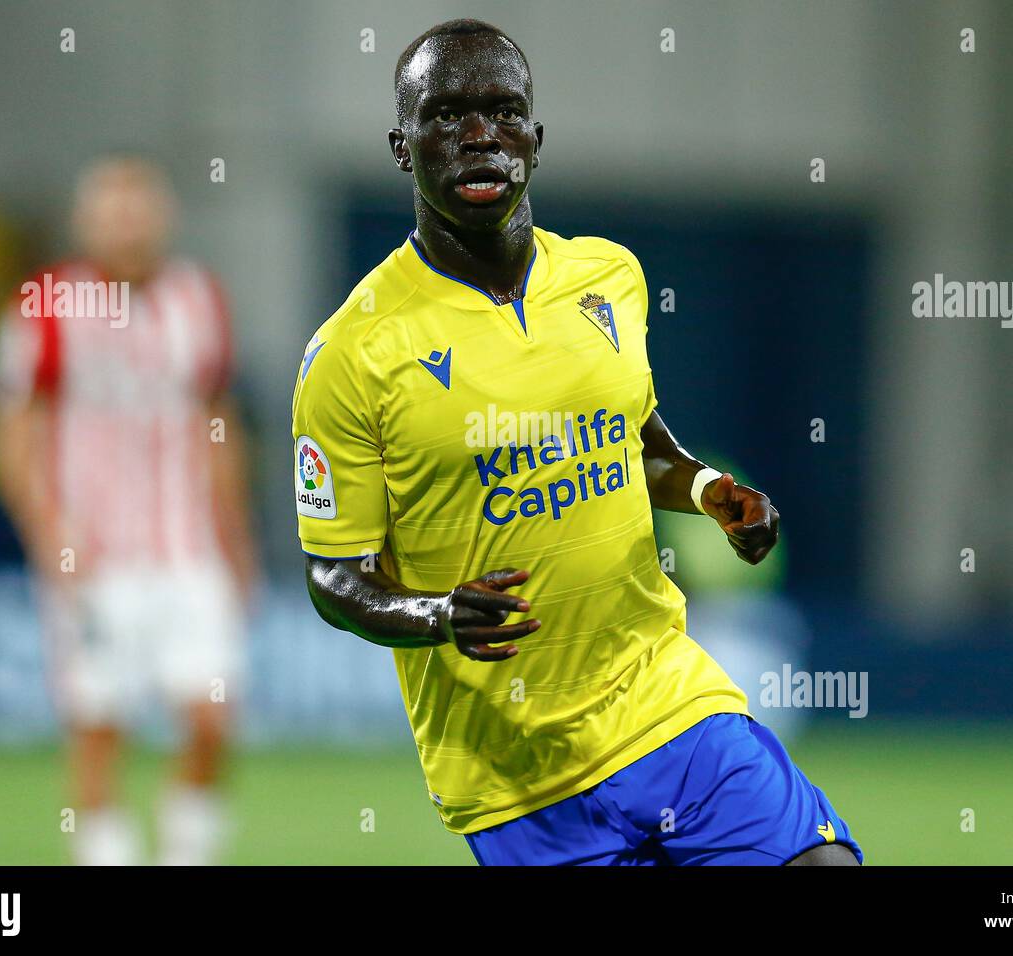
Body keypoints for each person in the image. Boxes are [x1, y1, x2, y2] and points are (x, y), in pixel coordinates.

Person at [292, 20, 860, 865]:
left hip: (666, 698)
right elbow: (336, 577)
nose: (480, 135)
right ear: (402, 147)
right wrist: (438, 616)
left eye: (502, 112)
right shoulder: (352, 353)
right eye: (446, 116)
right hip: (514, 769)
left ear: (535, 138)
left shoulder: (608, 278)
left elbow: (643, 446)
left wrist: (710, 493)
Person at [0, 156, 257, 865]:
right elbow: (16, 427)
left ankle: (183, 857)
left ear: (162, 217)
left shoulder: (199, 299)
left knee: (211, 719)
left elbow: (217, 421)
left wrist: (238, 538)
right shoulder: (47, 303)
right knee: (99, 729)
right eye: (111, 209)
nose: (126, 224)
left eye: (138, 208)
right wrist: (48, 533)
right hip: (93, 553)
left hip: (186, 548)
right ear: (86, 221)